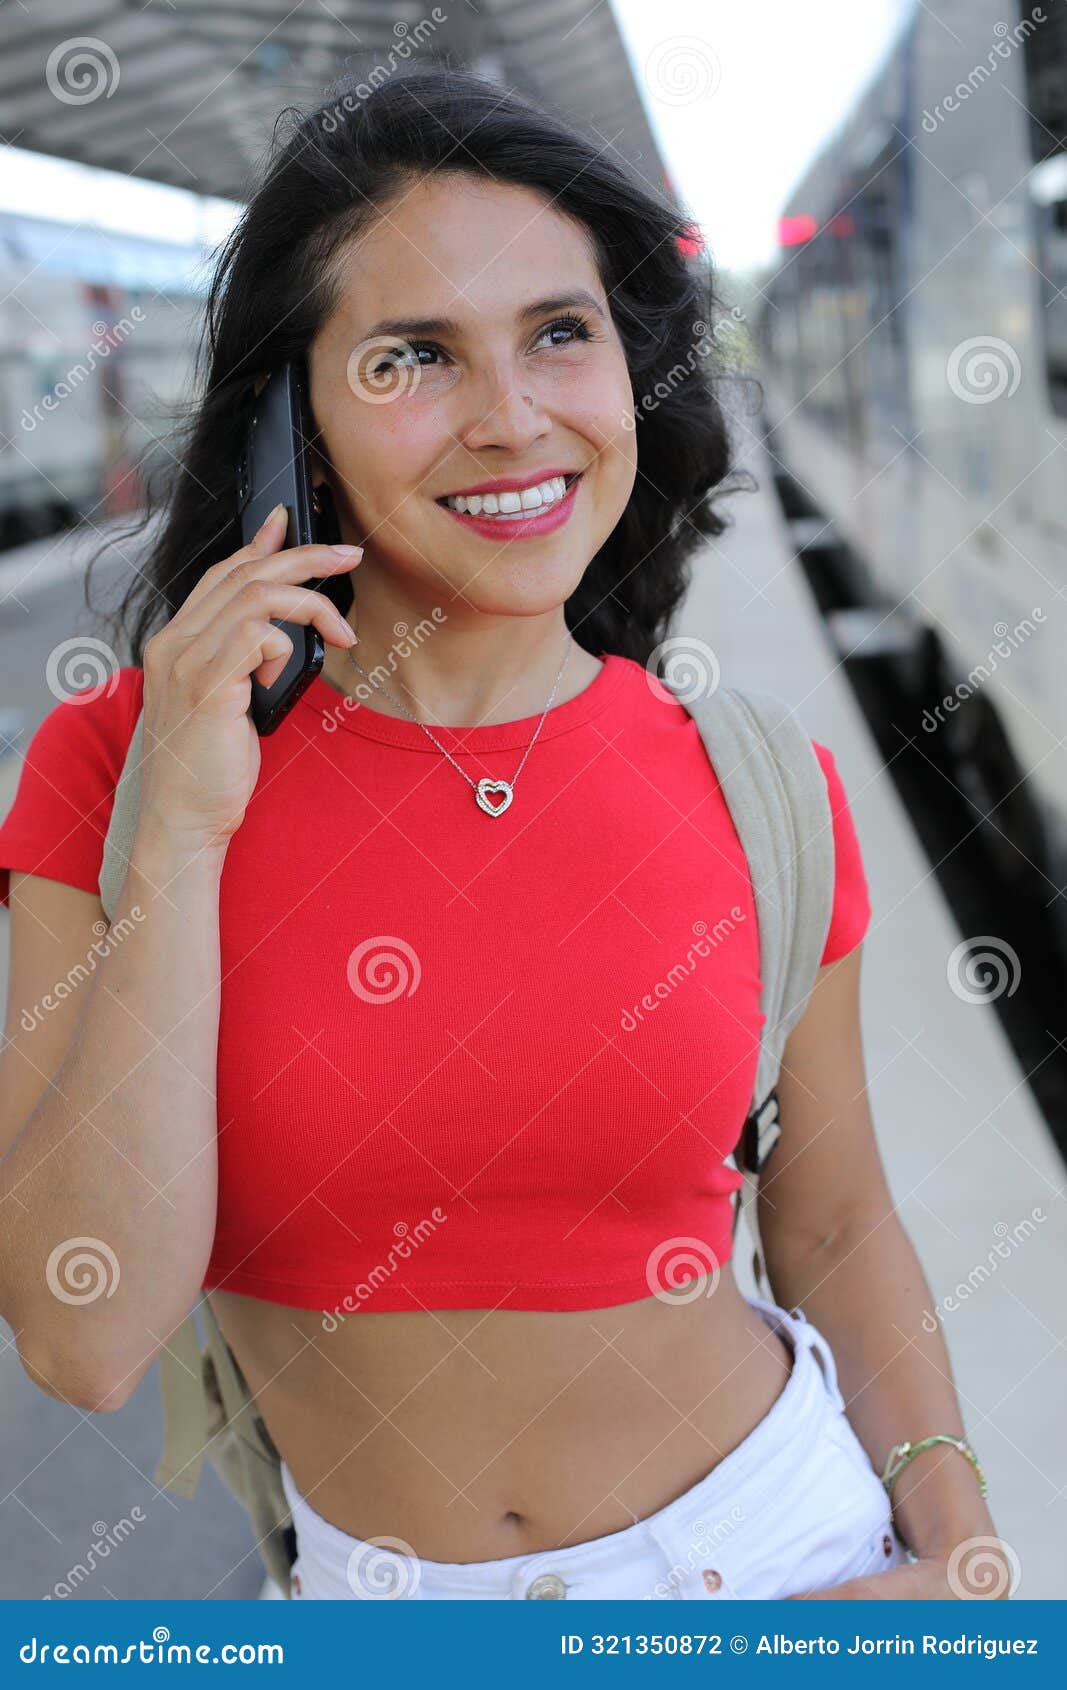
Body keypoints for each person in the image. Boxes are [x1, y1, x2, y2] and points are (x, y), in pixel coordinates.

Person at [0, 65, 1000, 1602]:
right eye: (415, 356)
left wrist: (960, 1537)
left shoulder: (759, 781)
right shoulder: (119, 767)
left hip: (787, 1565)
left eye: (559, 333)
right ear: (292, 421)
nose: (513, 417)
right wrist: (182, 837)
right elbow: (85, 1337)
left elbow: (842, 1218)